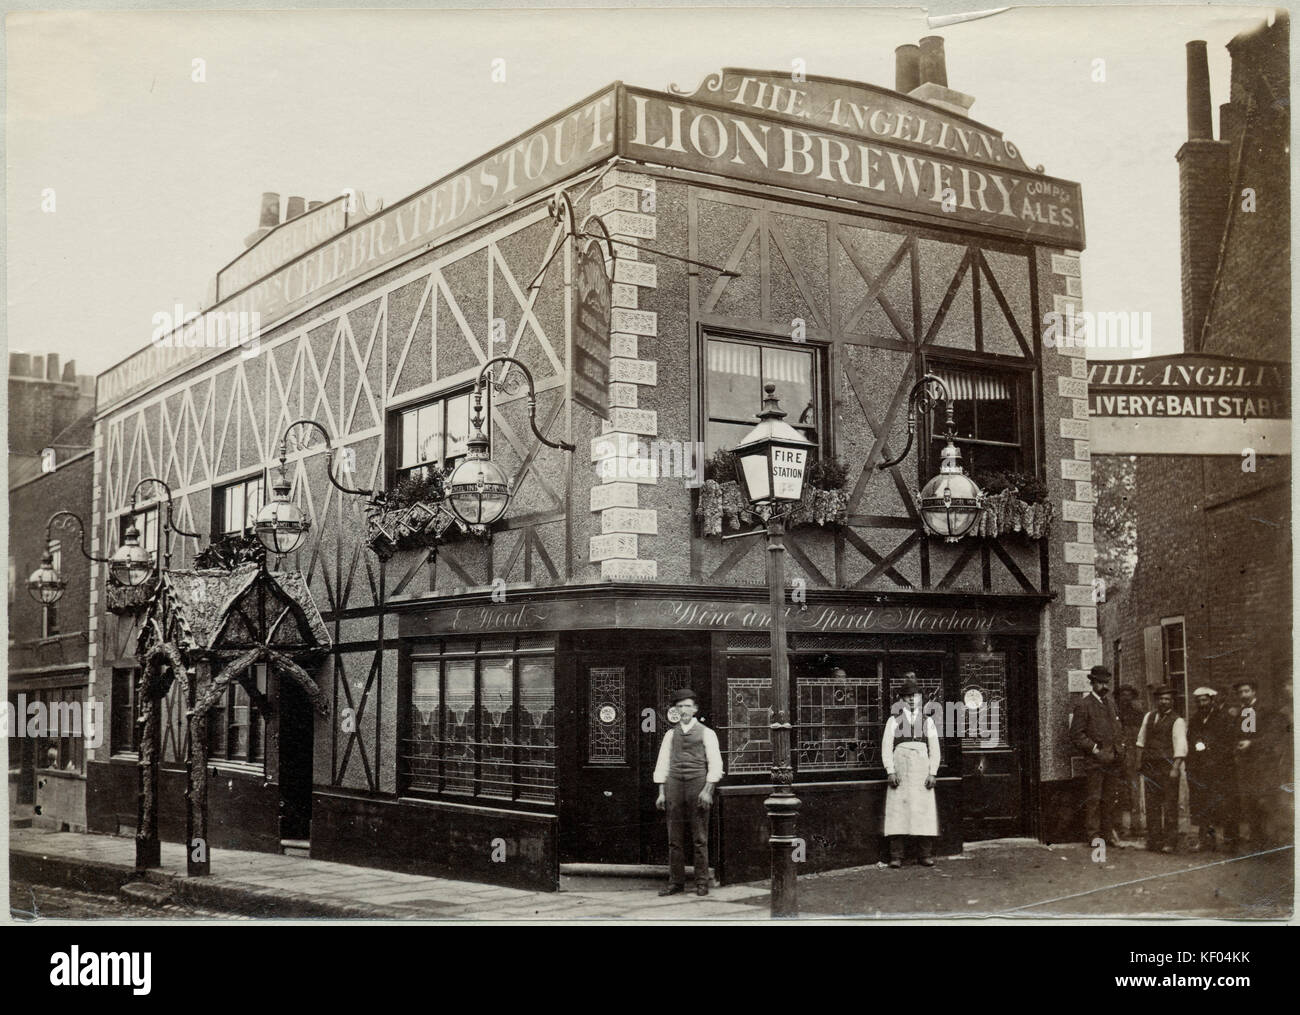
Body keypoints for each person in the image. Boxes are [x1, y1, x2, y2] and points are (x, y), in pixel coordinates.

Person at [653, 688, 723, 896]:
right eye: (679, 706)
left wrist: (708, 790)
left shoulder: (707, 733)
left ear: (695, 709)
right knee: (674, 837)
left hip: (698, 784)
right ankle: (676, 882)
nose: (683, 710)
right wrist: (662, 792)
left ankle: (702, 882)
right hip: (674, 785)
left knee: (699, 836)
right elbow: (662, 763)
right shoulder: (670, 734)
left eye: (687, 706)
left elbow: (716, 764)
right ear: (675, 709)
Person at [881, 674, 940, 868]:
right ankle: (896, 856)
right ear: (902, 699)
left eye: (915, 696)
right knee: (898, 812)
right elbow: (886, 747)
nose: (912, 700)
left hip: (921, 771)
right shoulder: (894, 720)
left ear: (921, 698)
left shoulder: (928, 721)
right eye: (908, 697)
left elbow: (935, 749)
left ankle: (924, 854)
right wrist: (890, 771)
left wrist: (933, 772)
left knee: (923, 811)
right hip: (901, 770)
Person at [1069, 665, 1126, 848]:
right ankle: (1094, 835)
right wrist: (1095, 749)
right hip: (1095, 761)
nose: (1103, 686)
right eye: (1099, 683)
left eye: (1105, 683)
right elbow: (1076, 735)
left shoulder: (1111, 703)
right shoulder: (1084, 705)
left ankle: (1108, 834)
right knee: (1094, 798)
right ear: (1092, 683)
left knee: (1109, 799)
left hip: (1113, 760)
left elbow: (1118, 728)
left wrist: (1120, 748)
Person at [1136, 686, 1187, 853]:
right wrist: (1139, 763)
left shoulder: (1177, 720)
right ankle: (1154, 840)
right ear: (1157, 700)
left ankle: (1170, 841)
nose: (1164, 702)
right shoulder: (1149, 717)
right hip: (1151, 766)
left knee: (1170, 804)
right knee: (1152, 804)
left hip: (1167, 767)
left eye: (1167, 699)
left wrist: (1175, 768)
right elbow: (1141, 741)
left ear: (1172, 701)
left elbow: (1180, 745)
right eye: (1161, 699)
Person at [1230, 679, 1275, 850]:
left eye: (1246, 691)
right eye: (1240, 692)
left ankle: (1266, 842)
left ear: (1254, 692)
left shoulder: (1264, 711)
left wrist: (1252, 744)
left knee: (1261, 802)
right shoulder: (1241, 712)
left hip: (1261, 764)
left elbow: (1271, 736)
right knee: (1248, 802)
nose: (1243, 695)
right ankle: (1256, 841)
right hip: (1245, 764)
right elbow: (1237, 734)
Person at [1185, 686, 1229, 851]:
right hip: (1198, 769)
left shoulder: (1221, 717)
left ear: (1212, 701)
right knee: (1200, 804)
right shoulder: (1196, 719)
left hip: (1216, 768)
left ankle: (1220, 841)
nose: (1201, 704)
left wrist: (1208, 747)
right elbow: (1191, 740)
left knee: (1216, 803)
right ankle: (1204, 839)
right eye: (1199, 701)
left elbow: (1225, 741)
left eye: (1205, 700)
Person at [1115, 686, 1145, 836]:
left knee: (1133, 791)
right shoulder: (1115, 713)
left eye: (1128, 696)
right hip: (1117, 758)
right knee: (1120, 791)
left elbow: (1139, 738)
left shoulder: (1138, 716)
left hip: (1131, 758)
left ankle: (1136, 825)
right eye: (1122, 695)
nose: (1125, 698)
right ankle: (1122, 825)